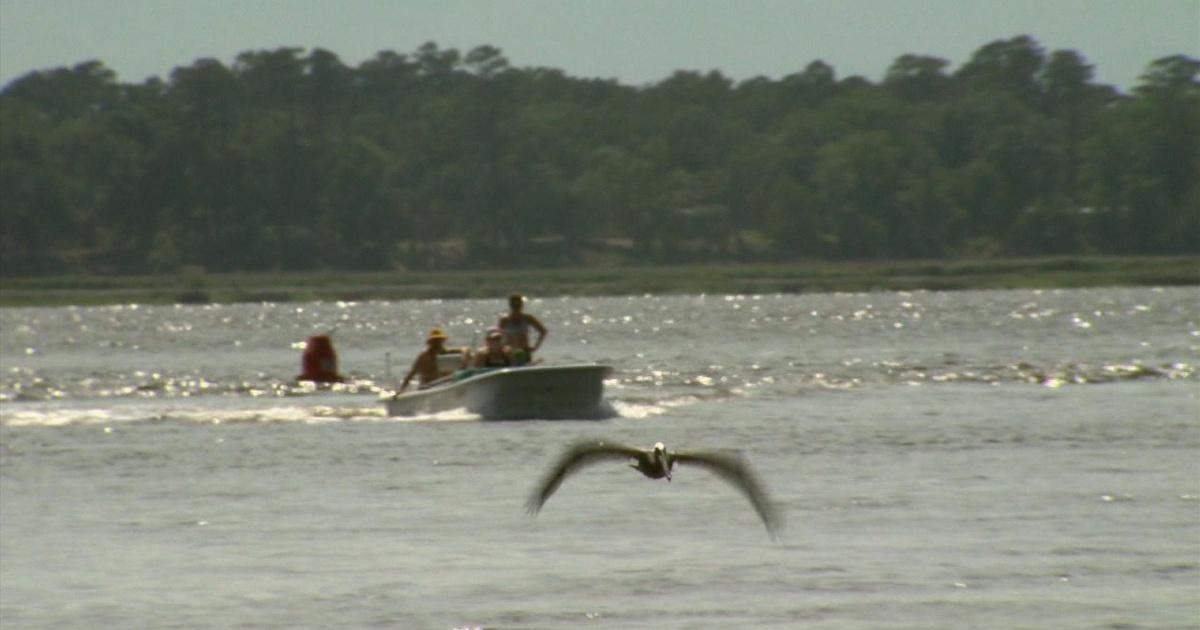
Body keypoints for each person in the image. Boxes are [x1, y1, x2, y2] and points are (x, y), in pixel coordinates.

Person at [399, 328, 468, 392]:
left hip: (446, 386)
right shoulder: (423, 357)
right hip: (427, 388)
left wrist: (464, 356)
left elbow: (466, 349)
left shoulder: (447, 353)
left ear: (442, 341)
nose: (437, 344)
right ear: (430, 343)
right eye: (435, 341)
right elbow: (411, 374)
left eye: (439, 341)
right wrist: (400, 390)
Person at [498, 294, 547, 365]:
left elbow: (543, 331)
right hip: (509, 351)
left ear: (522, 305)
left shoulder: (528, 318)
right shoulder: (504, 320)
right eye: (514, 306)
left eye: (518, 305)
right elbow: (498, 335)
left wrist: (535, 347)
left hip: (524, 350)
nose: (516, 308)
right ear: (510, 306)